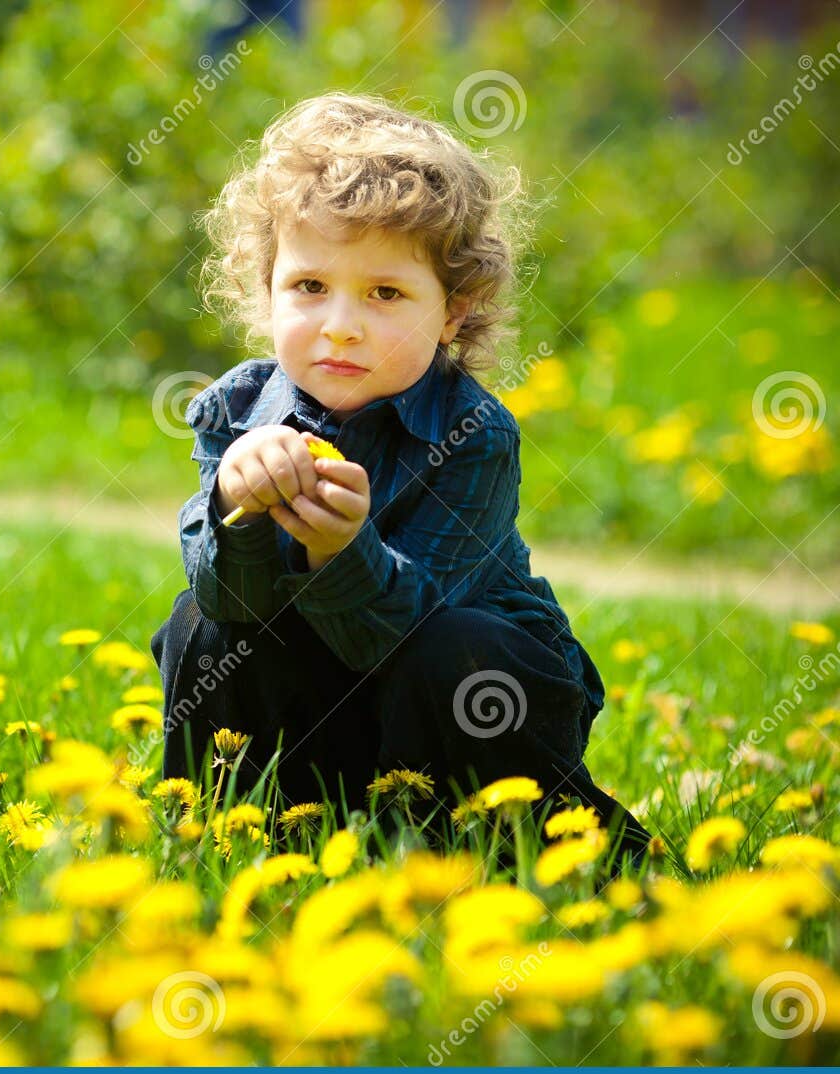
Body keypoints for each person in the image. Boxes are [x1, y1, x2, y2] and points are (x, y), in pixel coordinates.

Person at [148, 91, 652, 871]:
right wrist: (233, 511)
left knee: (453, 647)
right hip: (331, 722)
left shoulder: (472, 435)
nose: (341, 324)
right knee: (202, 625)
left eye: (385, 293)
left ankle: (518, 841)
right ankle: (225, 833)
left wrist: (341, 552)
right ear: (268, 287)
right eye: (310, 287)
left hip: (469, 717)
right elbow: (229, 602)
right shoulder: (238, 409)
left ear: (453, 312)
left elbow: (404, 637)